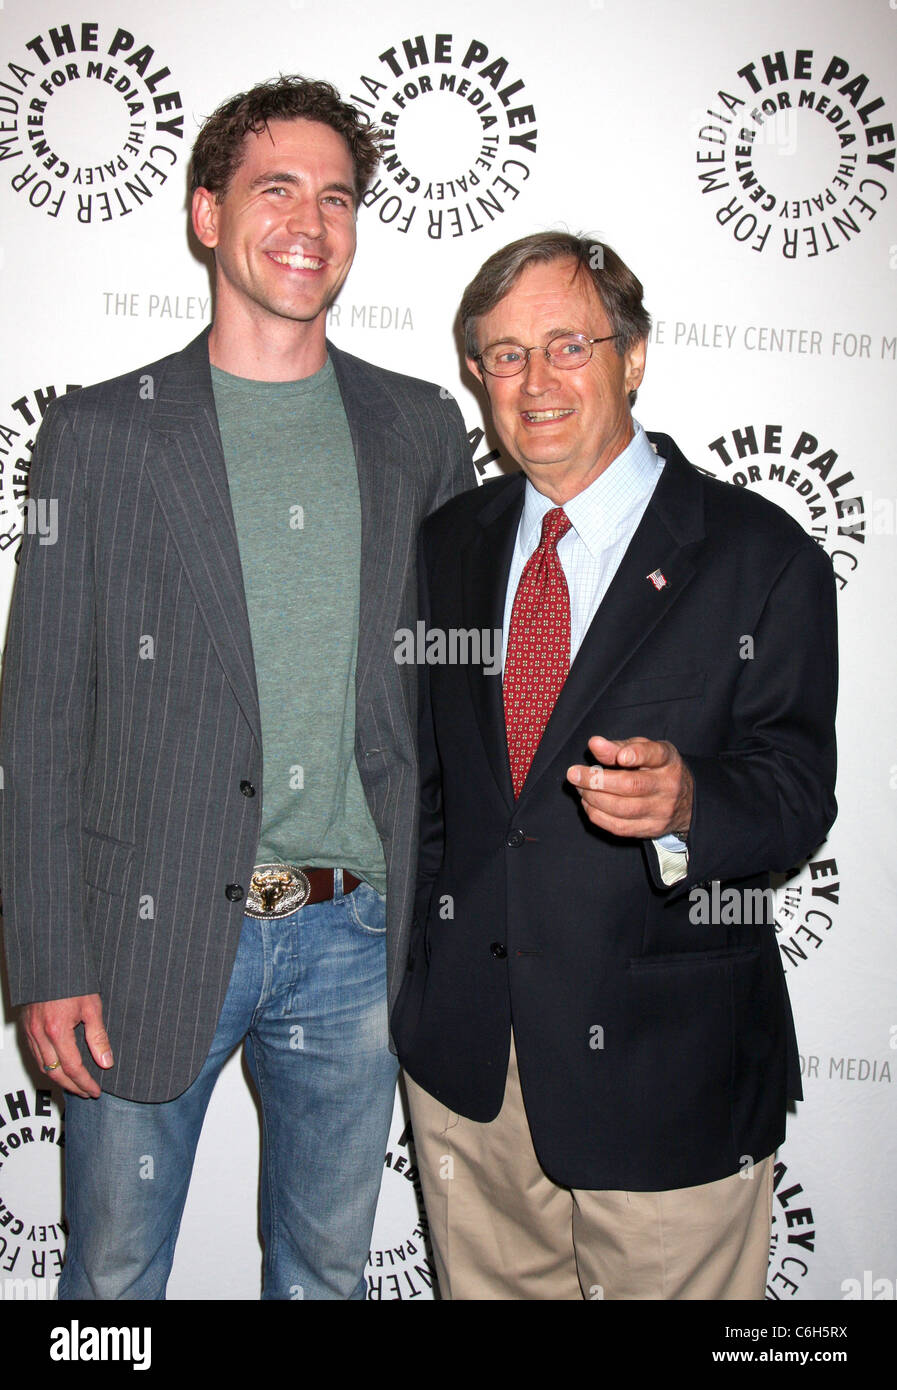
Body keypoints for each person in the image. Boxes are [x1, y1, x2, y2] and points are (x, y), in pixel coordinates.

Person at [0, 75, 472, 1300]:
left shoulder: (422, 428)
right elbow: (40, 716)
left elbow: (450, 704)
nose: (310, 220)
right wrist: (46, 950)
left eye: (337, 195)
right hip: (143, 933)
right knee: (108, 1277)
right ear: (208, 214)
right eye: (276, 188)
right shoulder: (99, 434)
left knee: (324, 1273)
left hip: (357, 937)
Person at [392, 230, 838, 1300]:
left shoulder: (760, 554)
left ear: (632, 356)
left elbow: (793, 797)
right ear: (476, 375)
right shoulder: (447, 545)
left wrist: (689, 798)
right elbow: (437, 792)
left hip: (669, 1074)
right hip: (472, 1079)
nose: (535, 381)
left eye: (566, 345)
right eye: (504, 355)